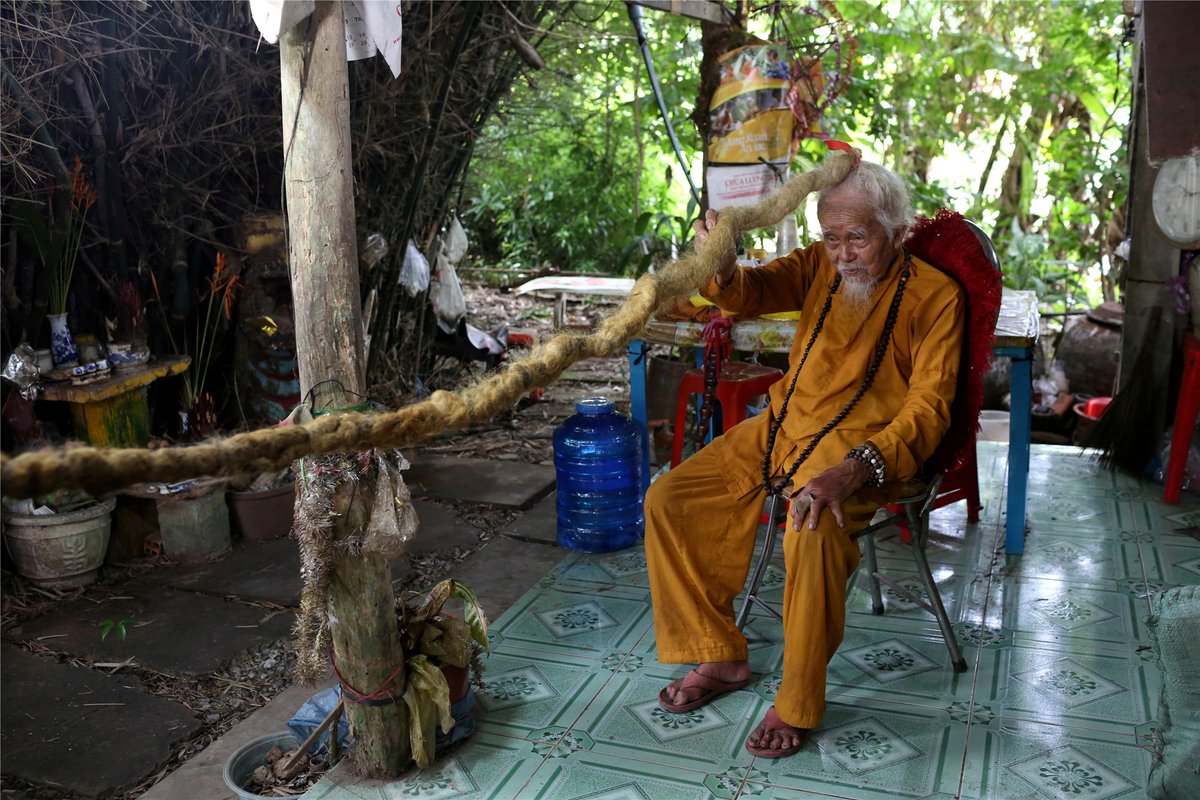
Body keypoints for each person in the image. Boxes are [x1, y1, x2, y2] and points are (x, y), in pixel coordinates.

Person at [644, 160, 965, 758]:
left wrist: (852, 471)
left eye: (858, 237)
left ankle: (796, 703)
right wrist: (721, 259)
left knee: (810, 528)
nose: (842, 253)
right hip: (781, 429)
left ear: (897, 232)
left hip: (865, 455)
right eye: (831, 236)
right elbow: (750, 294)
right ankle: (718, 655)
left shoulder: (934, 297)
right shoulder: (818, 266)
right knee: (670, 498)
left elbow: (929, 410)